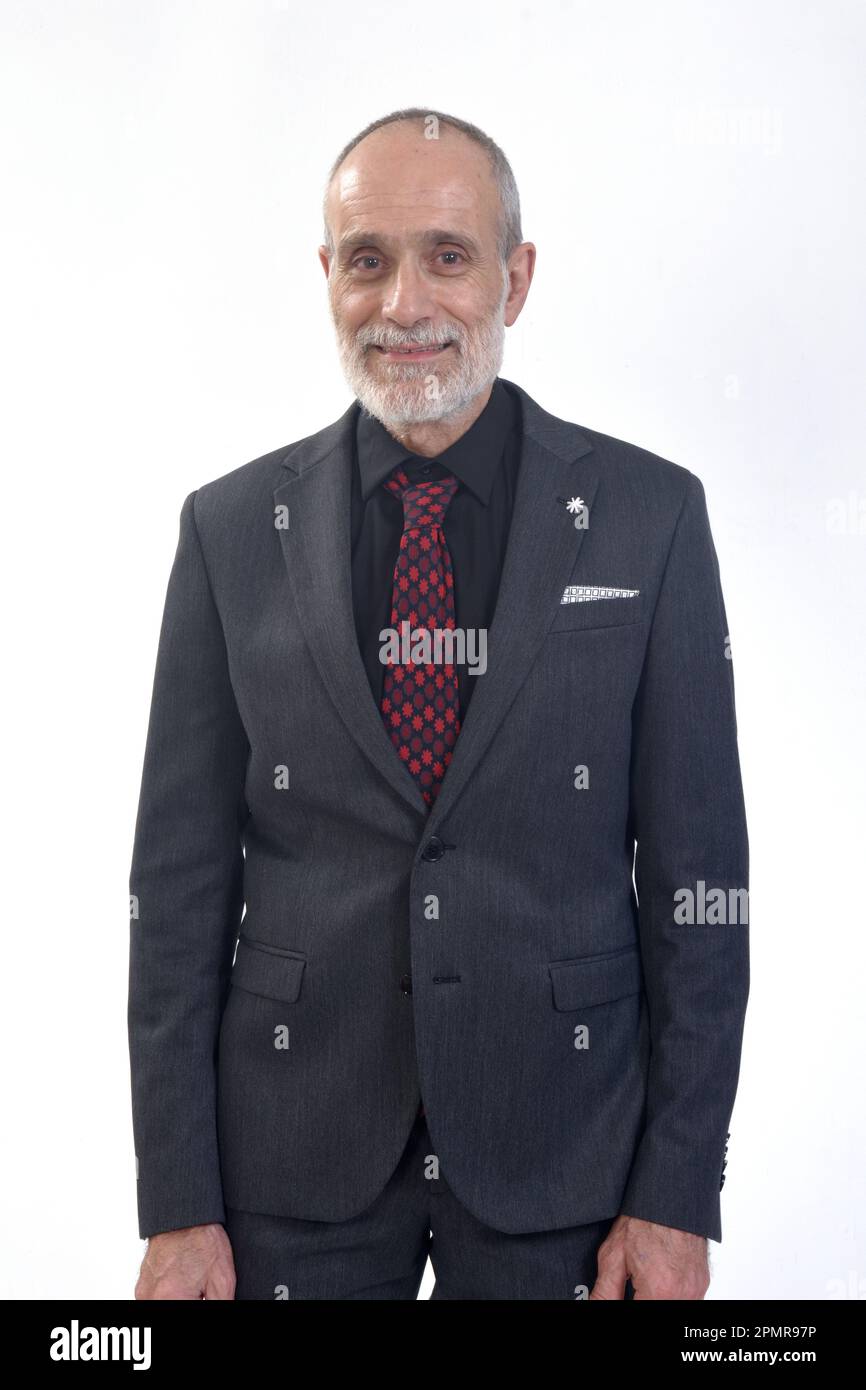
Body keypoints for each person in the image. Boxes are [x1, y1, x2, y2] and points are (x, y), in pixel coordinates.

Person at [128, 107, 749, 1300]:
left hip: (565, 1156)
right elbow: (177, 893)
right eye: (367, 259)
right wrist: (178, 1202)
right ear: (327, 276)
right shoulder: (229, 530)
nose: (404, 303)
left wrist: (676, 1193)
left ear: (516, 278)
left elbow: (699, 887)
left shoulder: (649, 518)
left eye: (447, 256)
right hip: (285, 1164)